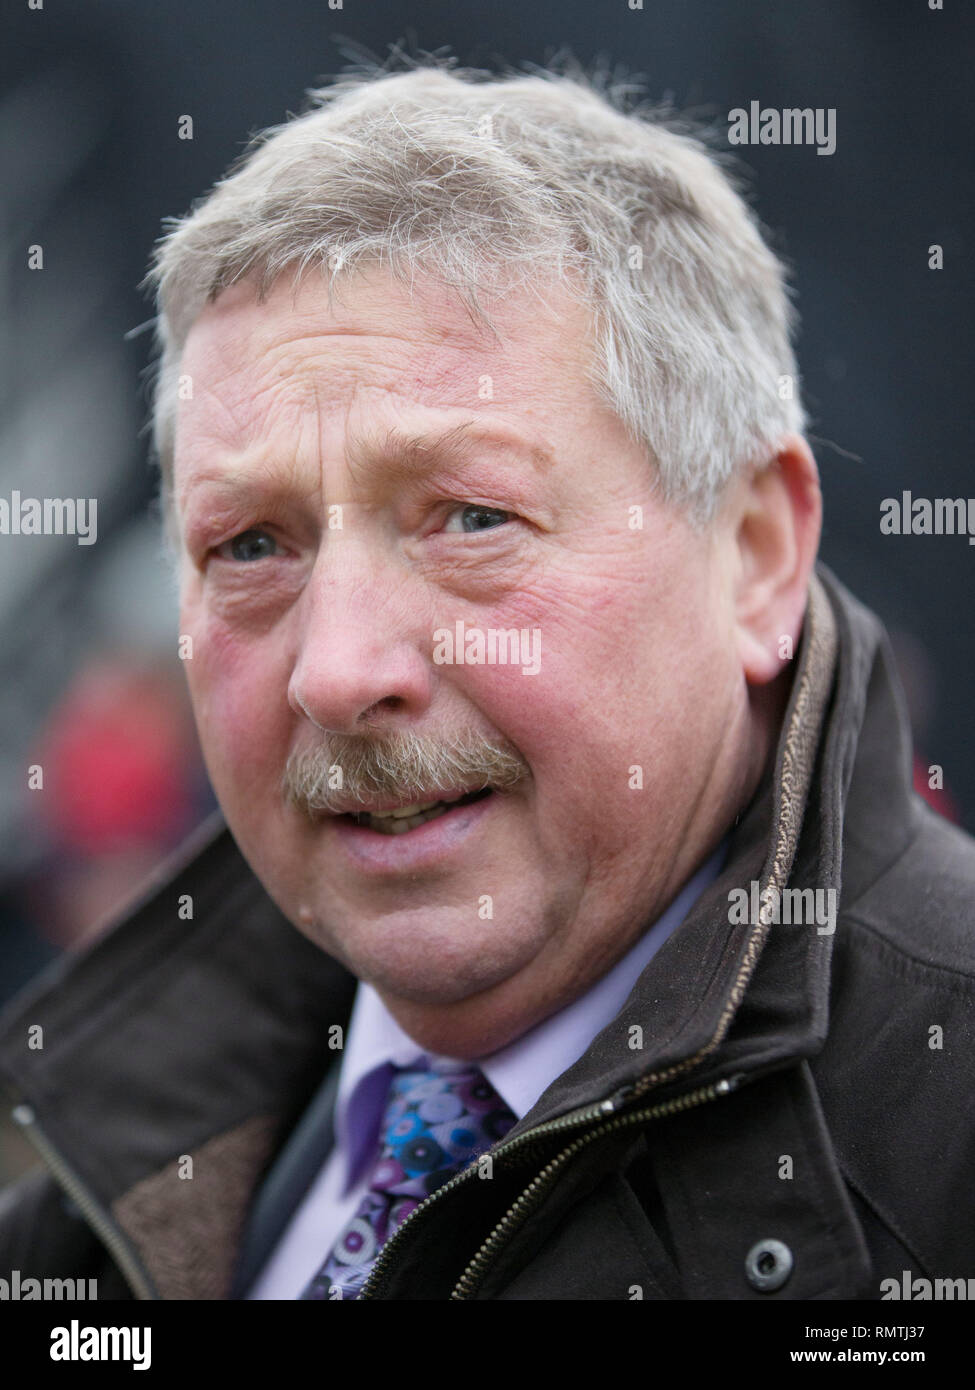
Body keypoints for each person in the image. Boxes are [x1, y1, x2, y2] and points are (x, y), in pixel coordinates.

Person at [0, 56, 972, 1302]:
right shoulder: (86, 1215)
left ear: (754, 554)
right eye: (251, 544)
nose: (340, 672)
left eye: (469, 519)